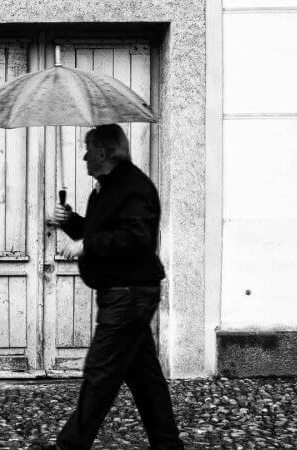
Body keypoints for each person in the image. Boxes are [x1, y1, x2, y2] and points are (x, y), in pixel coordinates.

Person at [44, 124, 184, 450]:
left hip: (129, 294)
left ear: (105, 152)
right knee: (144, 376)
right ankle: (167, 444)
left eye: (88, 149)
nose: (83, 155)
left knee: (100, 371)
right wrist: (69, 221)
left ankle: (70, 446)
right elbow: (100, 230)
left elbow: (135, 238)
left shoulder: (133, 187)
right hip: (123, 293)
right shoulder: (107, 187)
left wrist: (86, 245)